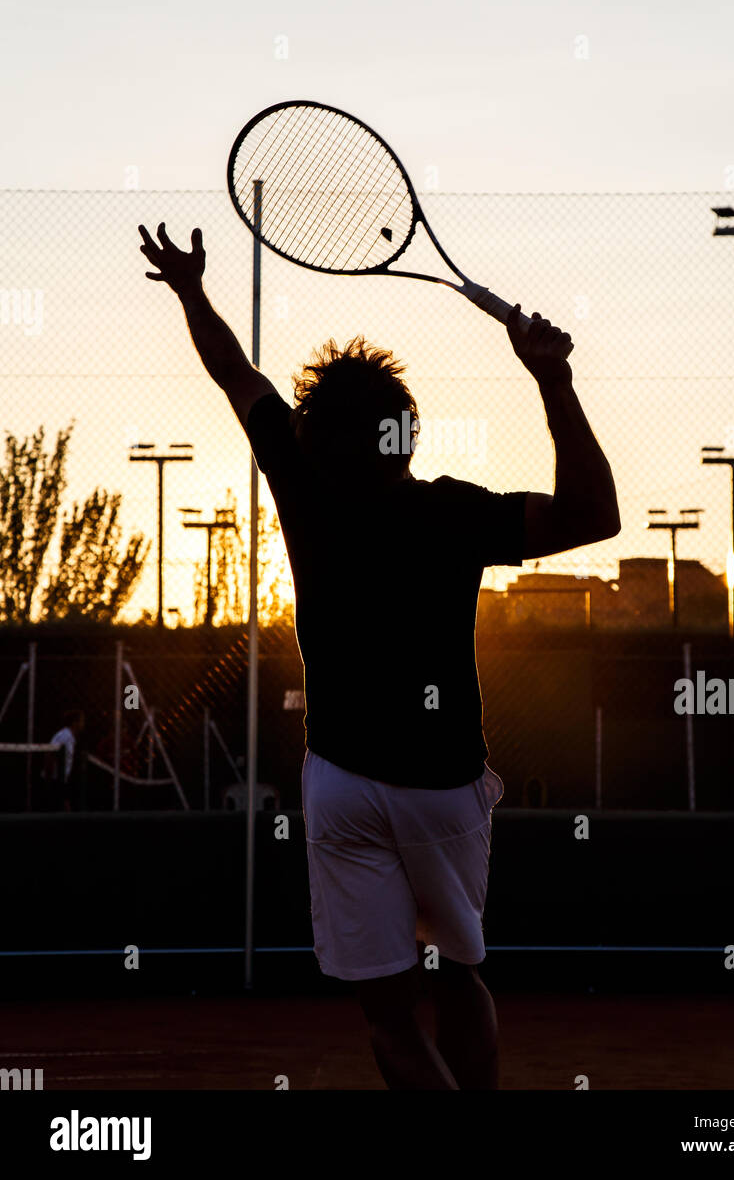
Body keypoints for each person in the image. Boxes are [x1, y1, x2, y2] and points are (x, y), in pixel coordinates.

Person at [139, 221, 620, 1090]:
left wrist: (191, 290)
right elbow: (595, 514)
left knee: (389, 1017)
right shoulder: (456, 512)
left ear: (314, 439)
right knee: (460, 977)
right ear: (406, 435)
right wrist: (553, 379)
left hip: (345, 786)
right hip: (445, 789)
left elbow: (235, 373)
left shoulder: (303, 482)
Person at [44, 709, 85, 812]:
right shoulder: (64, 735)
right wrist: (49, 775)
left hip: (62, 779)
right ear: (74, 723)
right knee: (62, 807)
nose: (82, 724)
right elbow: (50, 753)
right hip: (56, 779)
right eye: (81, 721)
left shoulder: (71, 737)